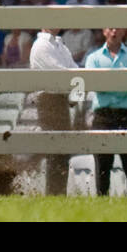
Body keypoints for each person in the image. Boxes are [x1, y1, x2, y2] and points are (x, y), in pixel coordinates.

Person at [85, 27, 127, 196]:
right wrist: (119, 85)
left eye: (117, 29)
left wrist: (107, 86)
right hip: (104, 115)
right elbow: (95, 85)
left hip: (126, 114)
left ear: (123, 31)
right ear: (104, 31)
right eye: (110, 28)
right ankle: (102, 202)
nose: (113, 32)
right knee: (102, 164)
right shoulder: (93, 57)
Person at [30, 28, 79, 196]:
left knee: (62, 150)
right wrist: (75, 88)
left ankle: (57, 193)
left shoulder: (59, 45)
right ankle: (54, 193)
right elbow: (63, 73)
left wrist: (74, 87)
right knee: (56, 149)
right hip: (49, 99)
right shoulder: (42, 46)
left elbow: (74, 71)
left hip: (60, 99)